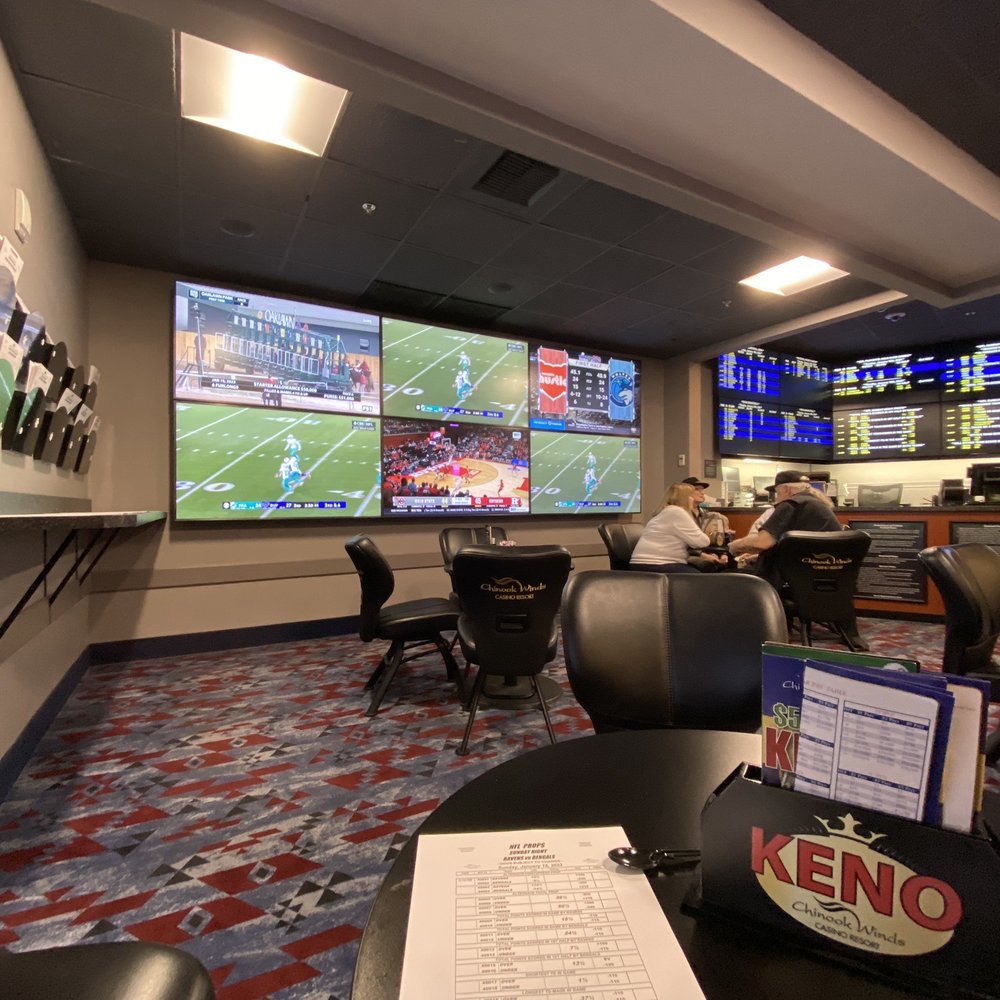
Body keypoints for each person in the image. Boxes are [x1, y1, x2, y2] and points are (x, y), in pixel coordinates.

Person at [630, 483, 726, 574]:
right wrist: (689, 511)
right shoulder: (677, 512)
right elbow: (703, 541)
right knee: (702, 579)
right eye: (691, 495)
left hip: (648, 563)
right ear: (685, 498)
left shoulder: (667, 511)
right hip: (655, 564)